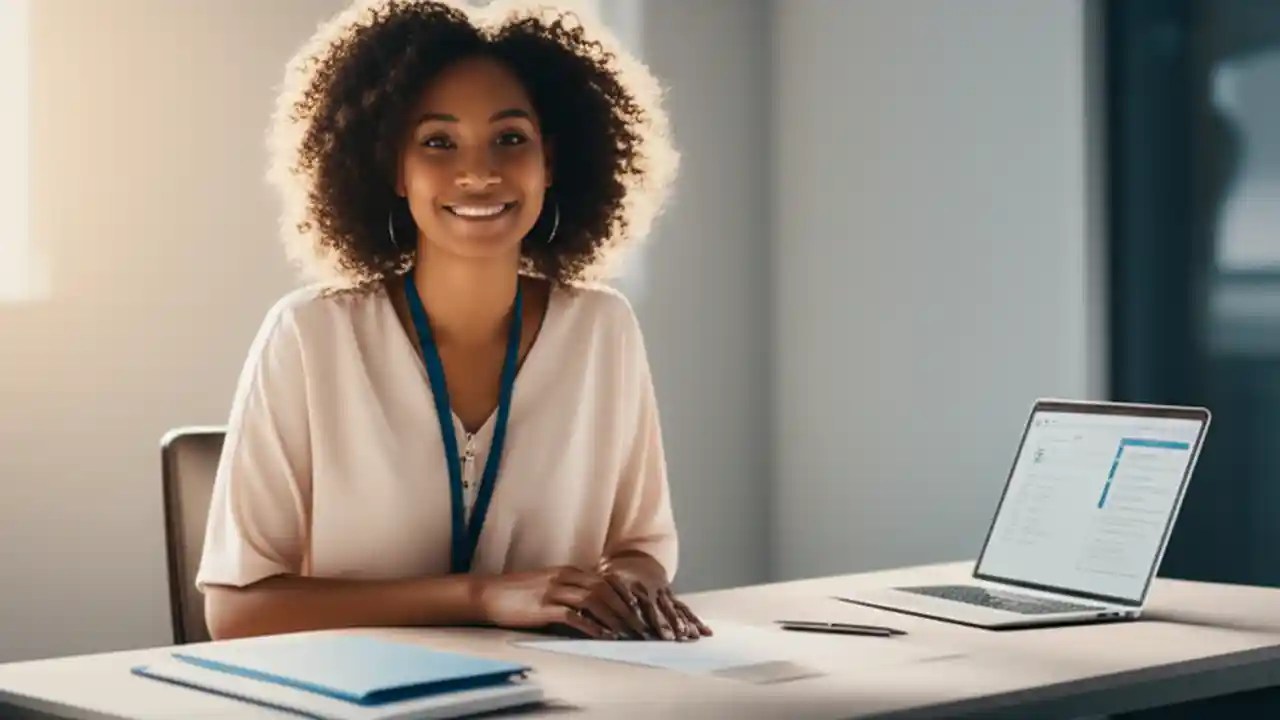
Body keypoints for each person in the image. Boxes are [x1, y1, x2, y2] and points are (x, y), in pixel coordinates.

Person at [196, 0, 711, 643]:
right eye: (438, 142)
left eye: (510, 138)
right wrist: (481, 597)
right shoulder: (309, 337)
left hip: (556, 695)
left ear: (549, 162)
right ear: (393, 167)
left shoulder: (602, 330)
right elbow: (236, 613)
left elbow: (640, 547)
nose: (478, 171)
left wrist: (625, 586)